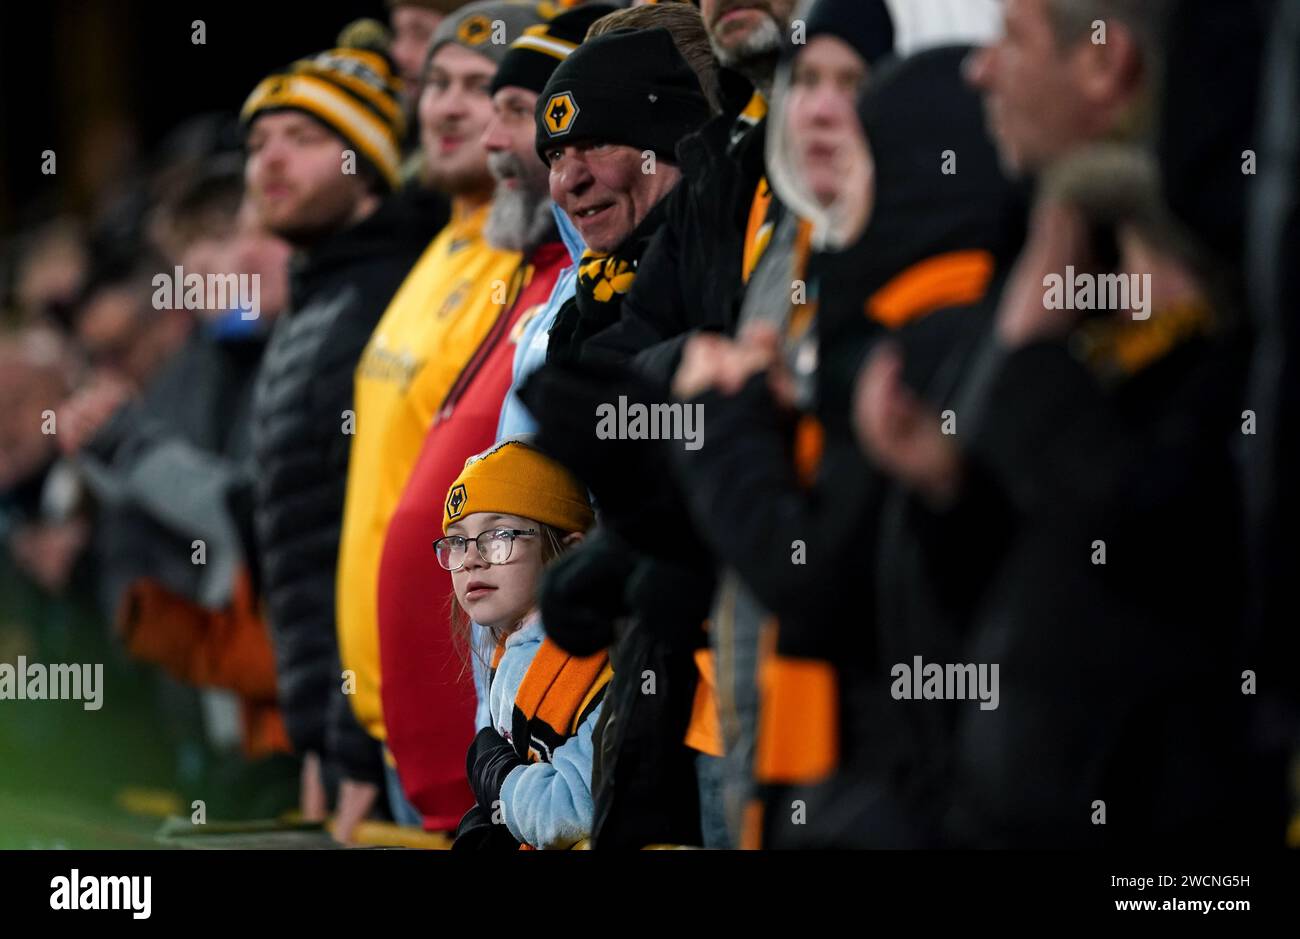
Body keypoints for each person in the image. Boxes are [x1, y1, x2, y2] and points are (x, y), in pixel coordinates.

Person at [334, 0, 557, 833]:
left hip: (472, 723)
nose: (455, 109)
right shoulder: (443, 247)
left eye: (493, 93)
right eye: (440, 84)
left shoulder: (528, 256)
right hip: (389, 721)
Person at [238, 20, 445, 839]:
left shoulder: (378, 298)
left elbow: (379, 534)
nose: (270, 161)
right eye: (258, 142)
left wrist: (350, 733)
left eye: (304, 138)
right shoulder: (316, 301)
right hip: (339, 724)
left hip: (382, 729)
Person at [440, 437, 605, 850]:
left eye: (498, 536)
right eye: (457, 541)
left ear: (569, 554)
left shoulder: (602, 660)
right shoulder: (513, 651)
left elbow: (564, 813)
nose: (472, 558)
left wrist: (502, 782)